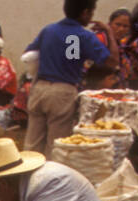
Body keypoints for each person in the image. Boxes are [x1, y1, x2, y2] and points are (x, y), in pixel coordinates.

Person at [23, 0, 119, 155]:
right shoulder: (82, 36)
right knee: (56, 146)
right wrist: (108, 31)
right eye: (91, 13)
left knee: (32, 144)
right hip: (62, 92)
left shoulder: (48, 30)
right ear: (85, 12)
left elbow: (28, 54)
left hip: (39, 89)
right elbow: (113, 62)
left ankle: (27, 178)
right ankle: (49, 178)